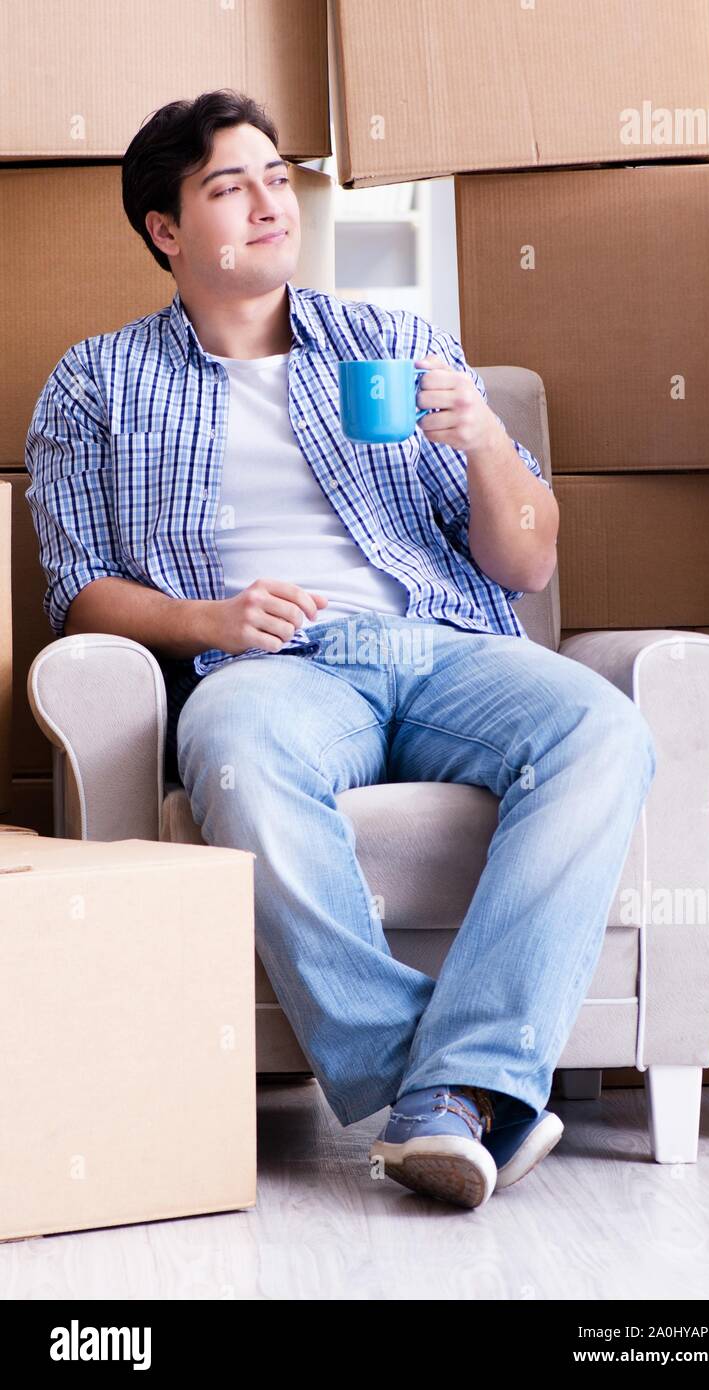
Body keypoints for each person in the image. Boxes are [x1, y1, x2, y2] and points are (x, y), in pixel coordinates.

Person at [24, 89, 656, 1211]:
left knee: (600, 726)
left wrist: (481, 450)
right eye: (229, 185)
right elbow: (79, 595)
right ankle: (444, 1097)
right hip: (264, 670)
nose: (270, 203)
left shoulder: (393, 343)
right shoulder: (95, 384)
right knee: (237, 764)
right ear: (165, 228)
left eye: (277, 177)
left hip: (442, 640)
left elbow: (525, 566)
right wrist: (208, 621)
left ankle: (449, 1091)